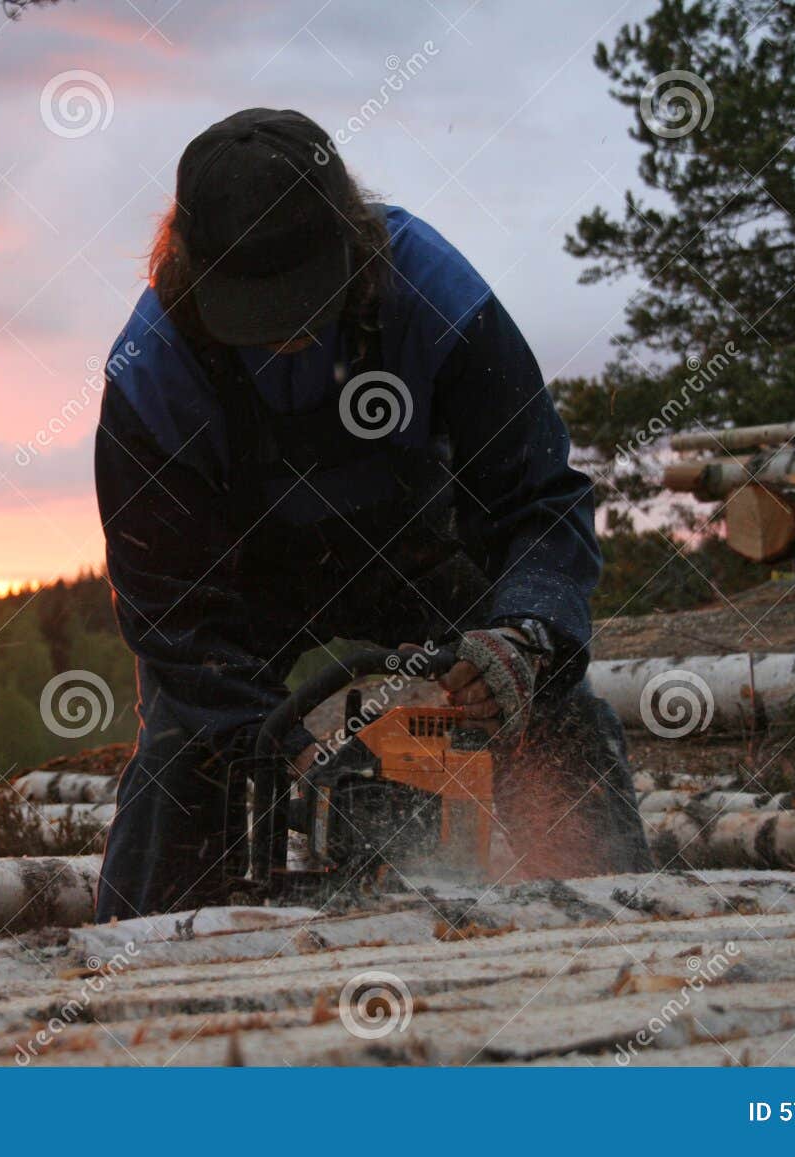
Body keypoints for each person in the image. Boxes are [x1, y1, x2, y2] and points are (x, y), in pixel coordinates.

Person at [92, 108, 651, 921]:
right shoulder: (152, 369)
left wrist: (527, 632)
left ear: (352, 243)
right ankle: (129, 965)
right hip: (241, 587)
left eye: (301, 303)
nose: (284, 336)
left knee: (545, 703)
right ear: (194, 270)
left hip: (414, 550)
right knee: (188, 747)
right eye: (257, 312)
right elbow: (173, 612)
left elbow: (539, 495)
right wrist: (277, 739)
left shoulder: (436, 293)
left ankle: (615, 922)